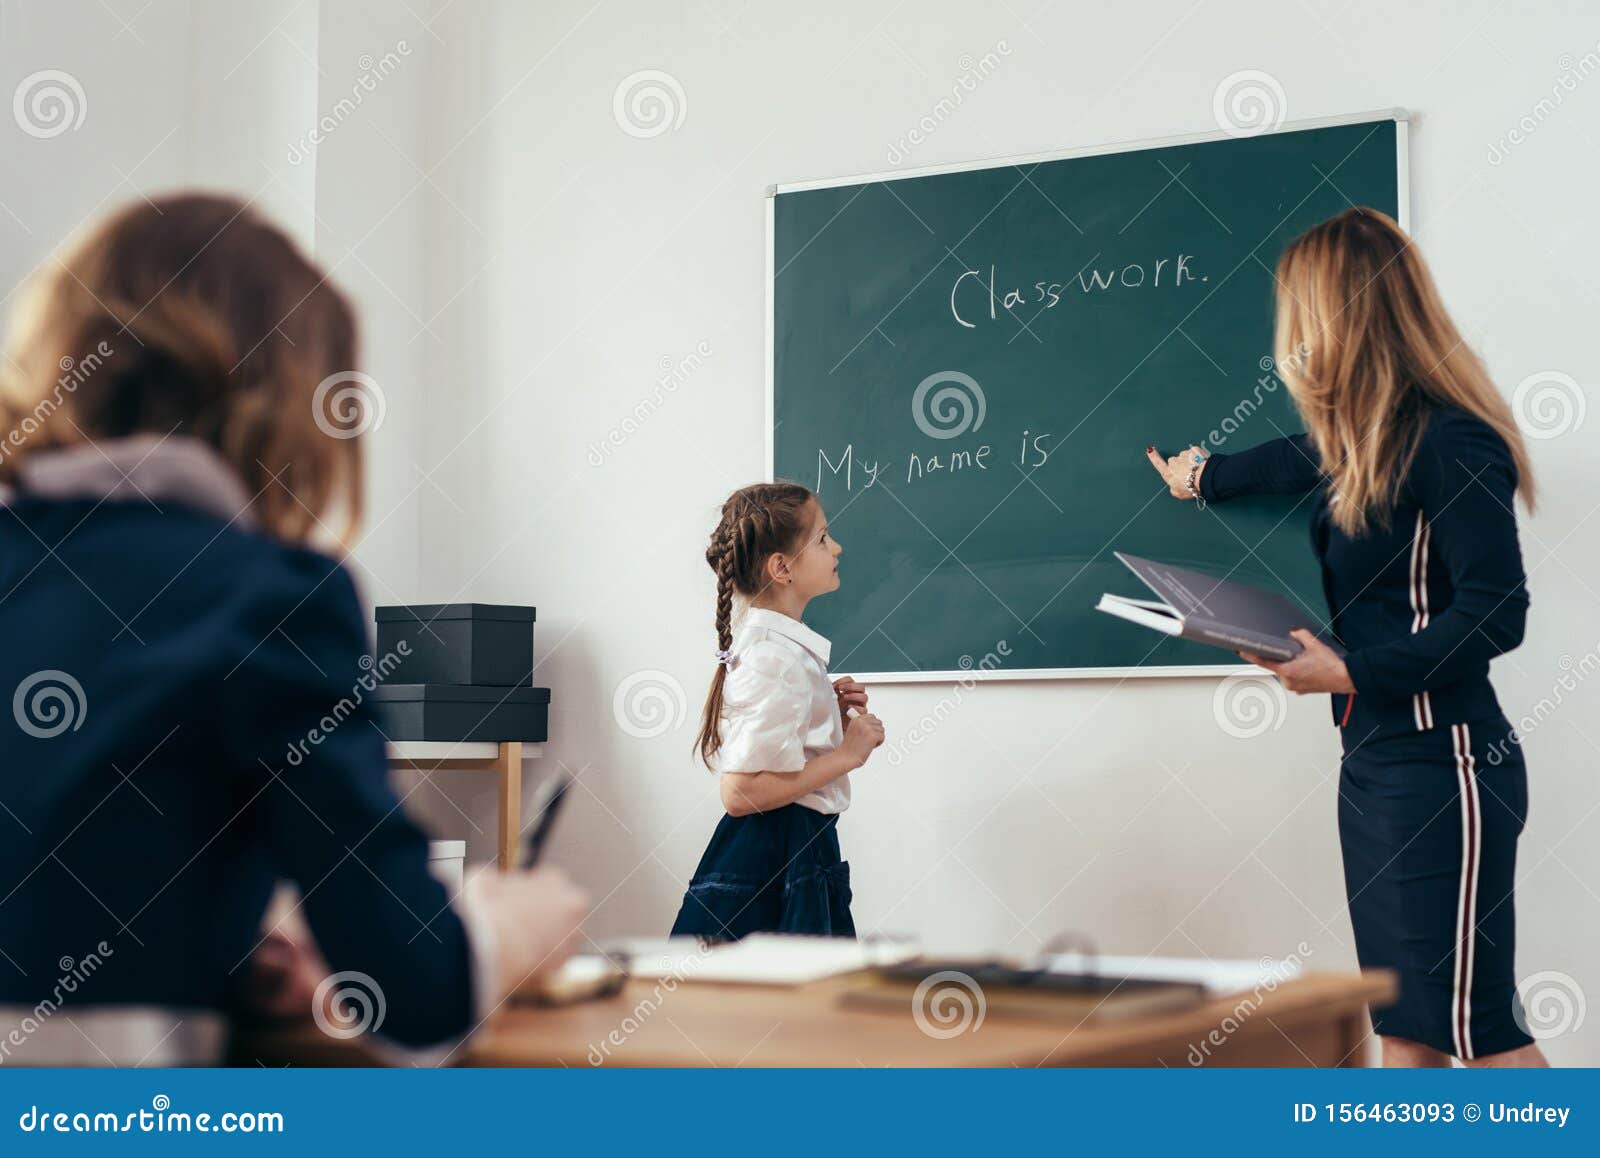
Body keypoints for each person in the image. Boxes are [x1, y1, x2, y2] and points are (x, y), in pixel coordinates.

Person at [0, 193, 587, 1065]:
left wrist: (224, 926)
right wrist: (510, 925)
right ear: (293, 408)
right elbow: (414, 995)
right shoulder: (265, 596)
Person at [1148, 207, 1545, 1068]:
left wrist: (1347, 670)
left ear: (1336, 318)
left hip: (1448, 764)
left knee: (1481, 1034)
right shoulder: (1362, 444)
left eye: (1295, 314)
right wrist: (1206, 477)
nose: (1287, 340)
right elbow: (1294, 458)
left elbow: (1496, 612)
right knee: (1402, 1029)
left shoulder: (1454, 440)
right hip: (1374, 763)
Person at [670, 482, 885, 940]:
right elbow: (741, 793)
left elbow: (779, 758)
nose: (837, 547)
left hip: (794, 847)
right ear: (782, 567)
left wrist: (827, 715)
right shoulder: (775, 658)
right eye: (823, 538)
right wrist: (848, 754)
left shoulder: (781, 652)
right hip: (777, 857)